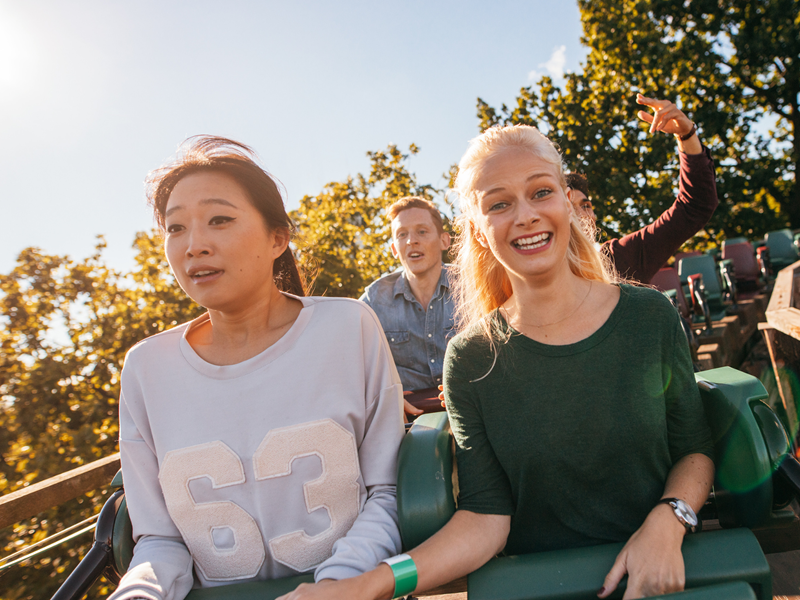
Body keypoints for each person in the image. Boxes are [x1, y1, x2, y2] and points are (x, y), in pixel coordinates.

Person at [279, 124, 715, 600]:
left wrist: (668, 520)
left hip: (663, 576)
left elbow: (694, 448)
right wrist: (369, 584)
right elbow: (486, 515)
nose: (525, 216)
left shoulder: (648, 315)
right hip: (540, 586)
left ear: (567, 202)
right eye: (500, 204)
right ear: (478, 232)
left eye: (541, 192)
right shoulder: (470, 359)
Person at [110, 137, 405, 600]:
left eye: (220, 219)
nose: (194, 245)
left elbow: (386, 493)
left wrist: (335, 587)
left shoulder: (349, 327)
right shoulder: (146, 369)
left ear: (277, 238)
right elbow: (160, 541)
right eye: (176, 228)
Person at [566, 94, 719, 284]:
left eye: (586, 205)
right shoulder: (527, 284)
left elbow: (695, 206)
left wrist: (686, 134)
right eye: (569, 207)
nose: (580, 214)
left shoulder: (616, 261)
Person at [360, 197, 452, 414]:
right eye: (402, 234)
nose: (411, 241)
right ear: (394, 248)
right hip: (407, 417)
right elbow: (345, 359)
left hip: (473, 408)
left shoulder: (475, 285)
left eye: (422, 231)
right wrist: (382, 397)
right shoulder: (375, 299)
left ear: (444, 241)